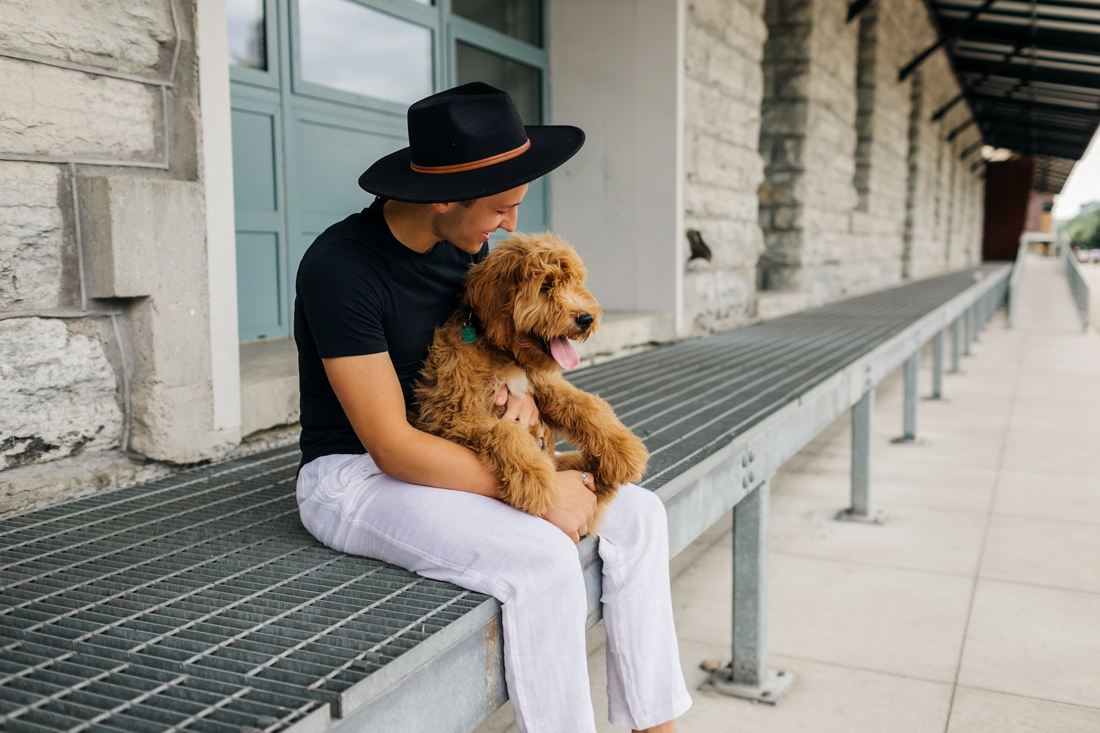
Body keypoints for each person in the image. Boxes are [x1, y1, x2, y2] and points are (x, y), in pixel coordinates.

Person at [293, 82, 691, 733]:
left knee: (641, 513)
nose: (509, 225)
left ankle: (656, 726)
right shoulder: (342, 269)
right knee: (543, 556)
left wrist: (525, 394)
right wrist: (537, 490)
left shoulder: (467, 249)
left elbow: (498, 350)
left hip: (469, 450)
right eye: (500, 209)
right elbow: (391, 444)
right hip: (358, 476)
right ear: (444, 198)